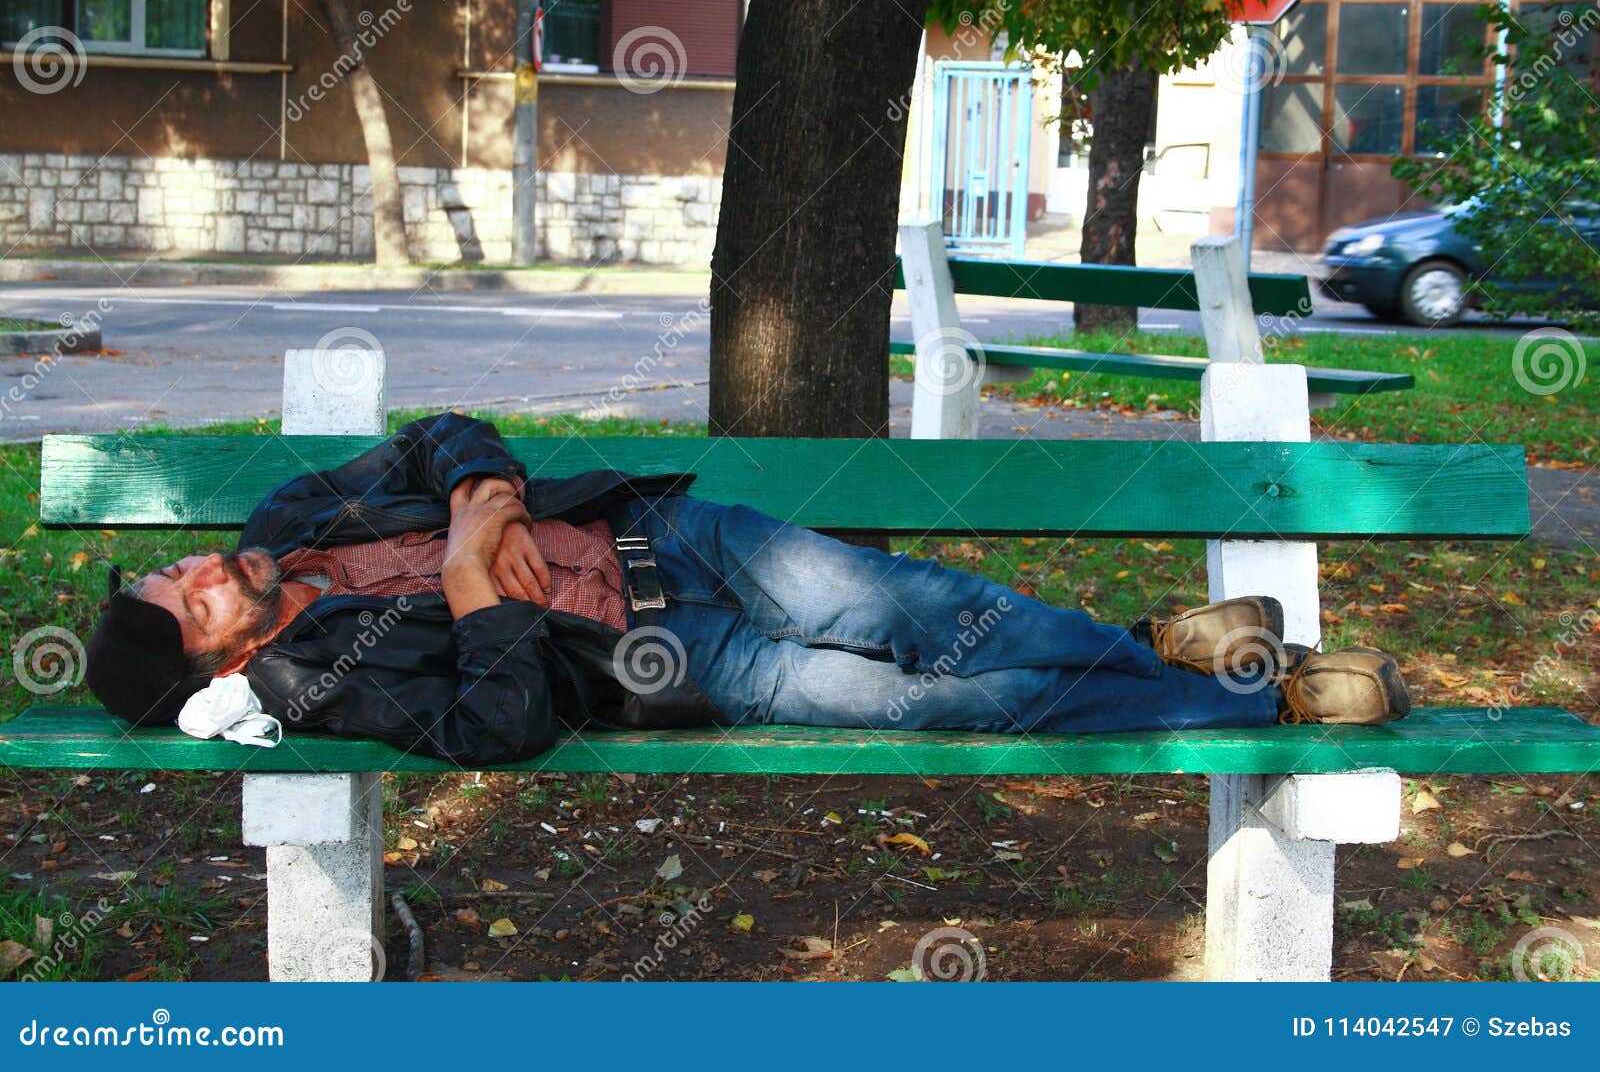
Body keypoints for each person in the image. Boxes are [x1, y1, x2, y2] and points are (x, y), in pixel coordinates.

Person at [84, 413, 1409, 765]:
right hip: (672, 658)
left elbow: (437, 431)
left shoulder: (289, 516)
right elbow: (496, 728)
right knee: (936, 703)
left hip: (681, 534)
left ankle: (1156, 647)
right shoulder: (326, 680)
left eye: (178, 565)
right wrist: (467, 582)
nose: (206, 569)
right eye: (192, 603)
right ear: (223, 667)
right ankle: (1252, 699)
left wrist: (483, 490)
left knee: (940, 613)